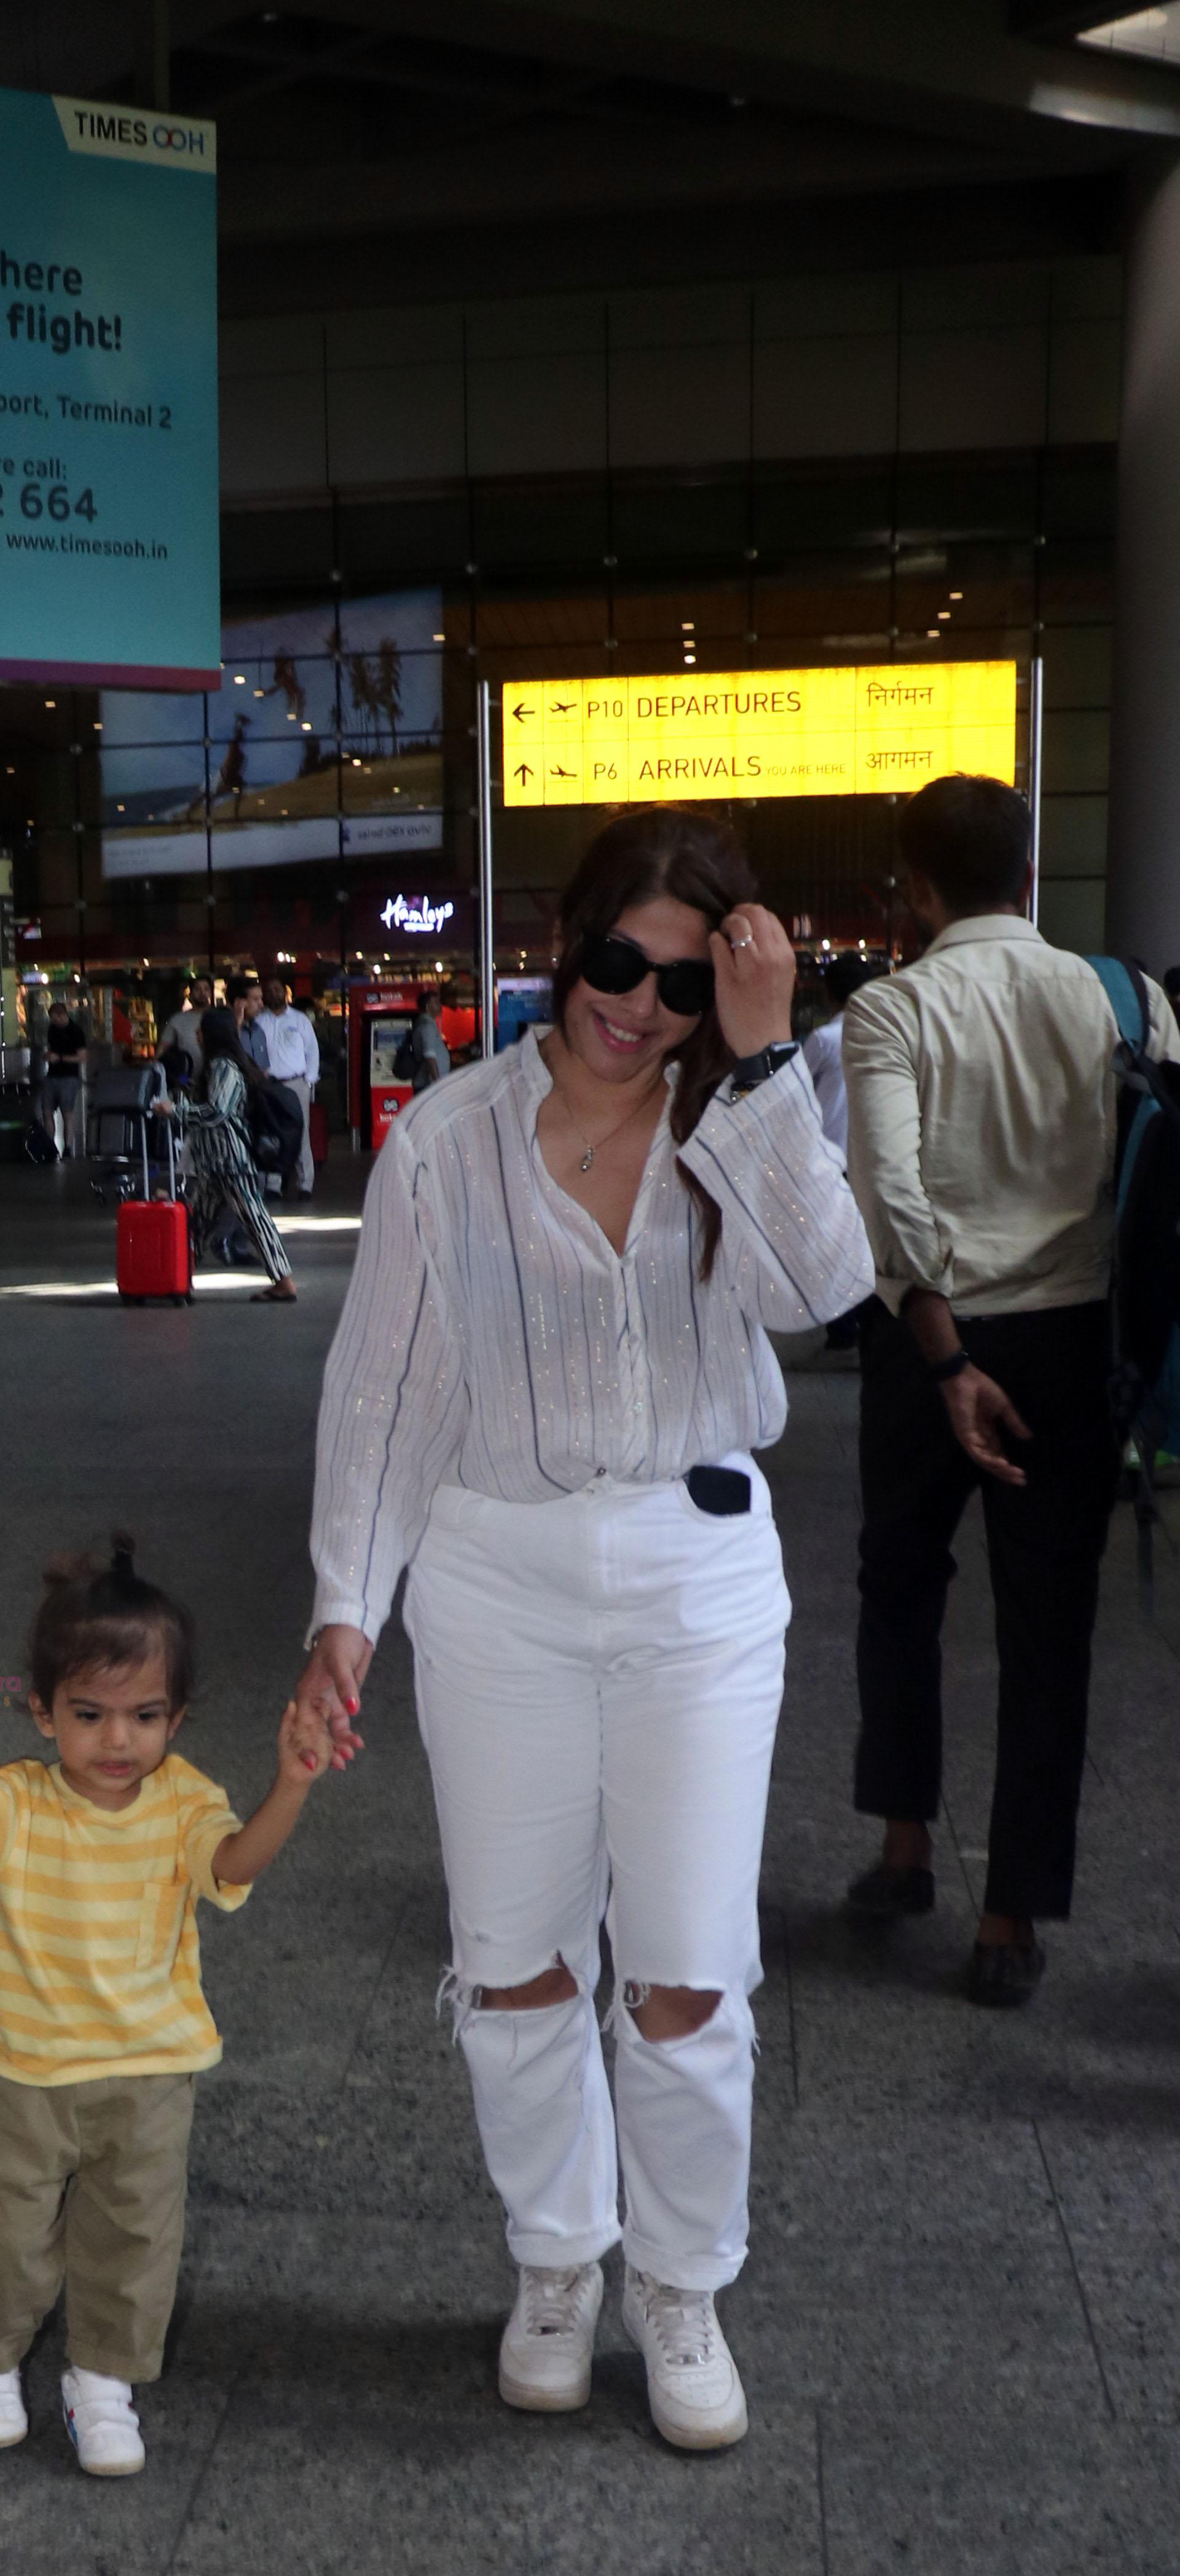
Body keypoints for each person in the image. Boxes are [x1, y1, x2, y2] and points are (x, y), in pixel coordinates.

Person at [301, 807, 873, 2455]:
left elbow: (821, 1289)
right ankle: (557, 2259)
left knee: (689, 1965)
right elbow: (388, 1391)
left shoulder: (744, 1115)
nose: (637, 1005)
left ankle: (680, 2284)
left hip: (694, 1581)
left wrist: (763, 1073)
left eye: (683, 986)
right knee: (517, 1960)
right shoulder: (449, 1138)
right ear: (571, 941)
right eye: (617, 961)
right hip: (494, 1579)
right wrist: (352, 1604)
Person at [0, 1536, 328, 2478]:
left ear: (178, 1717)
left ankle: (103, 2379)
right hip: (27, 2071)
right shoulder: (23, 1806)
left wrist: (293, 1785)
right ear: (41, 1713)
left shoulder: (187, 1802)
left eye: (147, 1715)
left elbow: (232, 1868)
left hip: (151, 2072)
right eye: (90, 1714)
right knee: (9, 2231)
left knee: (136, 2232)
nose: (120, 1741)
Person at [842, 773, 1180, 2007]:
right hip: (1072, 1345)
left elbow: (887, 1188)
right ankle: (1006, 1921)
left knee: (898, 1589)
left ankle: (901, 1850)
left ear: (915, 889)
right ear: (1027, 879)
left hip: (923, 1346)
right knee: (1047, 1634)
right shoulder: (1127, 999)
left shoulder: (893, 1009)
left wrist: (940, 1361)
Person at [155, 1032, 298, 1299]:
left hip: (229, 1160)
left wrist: (175, 1111)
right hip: (215, 1162)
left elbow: (217, 1111)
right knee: (198, 1223)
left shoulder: (223, 1067)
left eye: (201, 1031)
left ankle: (284, 1281)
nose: (197, 1036)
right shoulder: (225, 1065)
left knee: (254, 1220)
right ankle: (177, 1279)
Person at [800, 951, 882, 1357]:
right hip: (876, 1157)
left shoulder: (825, 1039)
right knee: (869, 1245)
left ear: (830, 993)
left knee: (831, 1246)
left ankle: (842, 1326)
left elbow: (794, 1086)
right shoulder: (885, 1033)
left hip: (831, 1157)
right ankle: (870, 1323)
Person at [254, 975, 323, 1193]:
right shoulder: (259, 1021)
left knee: (300, 1134)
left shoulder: (300, 1020)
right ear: (264, 996)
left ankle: (305, 1184)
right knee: (272, 1133)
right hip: (270, 1086)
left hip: (297, 1084)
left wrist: (310, 1081)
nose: (274, 994)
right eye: (270, 990)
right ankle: (274, 1185)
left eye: (278, 990)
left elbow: (312, 1051)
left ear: (286, 993)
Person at [41, 989, 89, 1161]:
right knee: (47, 1112)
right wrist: (49, 1056)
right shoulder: (52, 1030)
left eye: (56, 1018)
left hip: (69, 1077)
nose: (54, 1022)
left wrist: (59, 1058)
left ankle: (67, 1148)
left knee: (67, 1113)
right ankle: (51, 1146)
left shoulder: (76, 1031)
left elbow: (82, 1057)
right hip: (53, 1075)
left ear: (63, 1015)